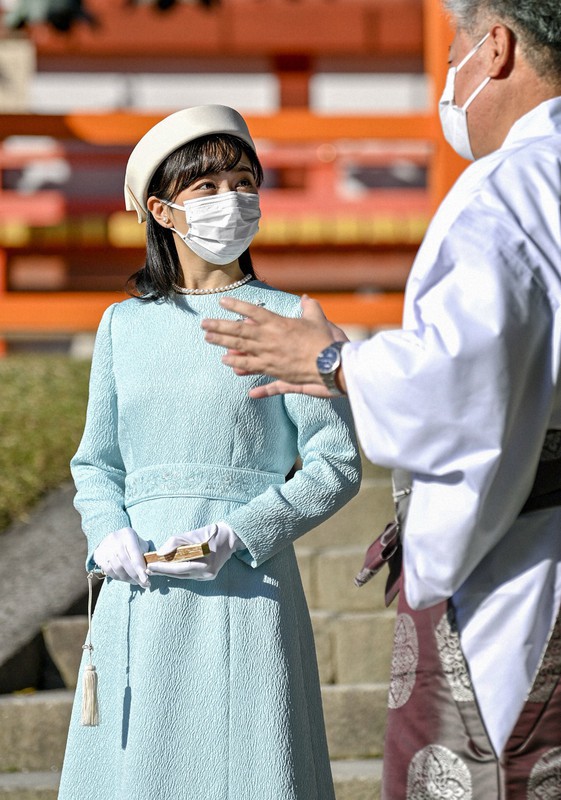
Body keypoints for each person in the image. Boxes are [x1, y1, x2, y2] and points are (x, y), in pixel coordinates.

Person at [201, 3, 561, 796]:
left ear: (495, 48)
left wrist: (333, 362)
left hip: (527, 572)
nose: (450, 73)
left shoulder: (512, 188)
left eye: (455, 48)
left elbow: (462, 382)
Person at [58, 104, 361, 800]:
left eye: (244, 182)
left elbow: (335, 464)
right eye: (209, 186)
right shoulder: (122, 326)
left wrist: (240, 533)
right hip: (141, 589)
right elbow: (96, 463)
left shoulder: (287, 317)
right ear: (162, 211)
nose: (234, 199)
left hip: (246, 586)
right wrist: (107, 533)